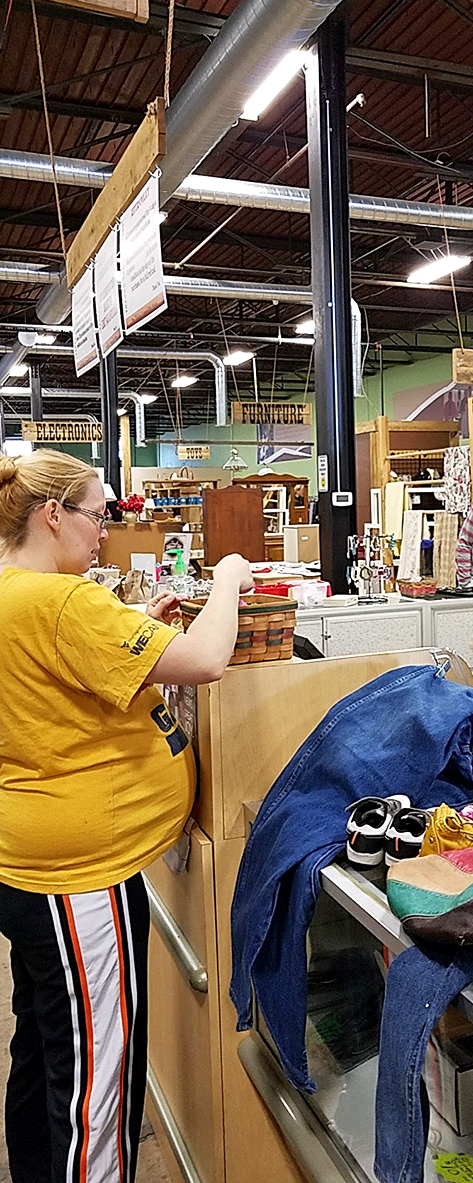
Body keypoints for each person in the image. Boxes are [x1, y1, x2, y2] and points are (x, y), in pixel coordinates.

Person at [0, 449, 253, 1183]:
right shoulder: (61, 602)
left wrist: (136, 628)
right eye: (97, 514)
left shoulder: (21, 593)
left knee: (49, 1046)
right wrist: (230, 579)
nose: (105, 532)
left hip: (30, 862)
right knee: (96, 1077)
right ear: (53, 514)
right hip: (79, 876)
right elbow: (207, 659)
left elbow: (52, 676)